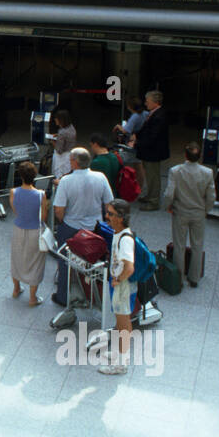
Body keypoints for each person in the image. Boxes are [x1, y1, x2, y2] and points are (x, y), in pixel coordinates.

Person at [51, 147, 115, 306]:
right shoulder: (101, 177)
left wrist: (63, 221)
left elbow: (58, 209)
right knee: (95, 260)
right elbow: (109, 203)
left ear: (74, 162)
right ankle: (93, 294)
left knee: (65, 261)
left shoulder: (66, 181)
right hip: (95, 228)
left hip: (71, 227)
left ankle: (63, 296)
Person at [161, 141, 216, 288]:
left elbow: (169, 194)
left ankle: (178, 277)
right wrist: (206, 210)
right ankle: (194, 278)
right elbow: (211, 196)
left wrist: (168, 206)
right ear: (199, 156)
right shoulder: (208, 173)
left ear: (185, 155)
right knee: (197, 245)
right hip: (198, 213)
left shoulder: (175, 171)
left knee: (179, 245)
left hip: (180, 212)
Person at [99, 199, 135, 376]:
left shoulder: (125, 239)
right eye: (107, 212)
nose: (107, 216)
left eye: (111, 214)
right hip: (120, 284)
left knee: (122, 326)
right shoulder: (118, 233)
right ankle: (120, 356)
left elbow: (129, 268)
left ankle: (121, 364)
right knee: (122, 323)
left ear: (121, 217)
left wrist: (118, 280)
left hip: (122, 286)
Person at [8, 161, 50, 305]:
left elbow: (15, 211)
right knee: (36, 263)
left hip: (19, 229)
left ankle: (16, 289)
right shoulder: (41, 194)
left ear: (20, 175)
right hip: (35, 231)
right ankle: (32, 298)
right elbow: (43, 216)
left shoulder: (13, 192)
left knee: (16, 259)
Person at [131, 90, 170, 210]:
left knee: (153, 177)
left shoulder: (158, 116)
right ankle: (150, 196)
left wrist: (136, 142)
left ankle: (153, 201)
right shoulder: (154, 113)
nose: (145, 103)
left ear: (155, 102)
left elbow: (152, 136)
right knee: (150, 175)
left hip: (153, 151)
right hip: (151, 151)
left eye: (147, 101)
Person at [50, 109, 76, 179]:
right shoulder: (71, 127)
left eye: (56, 118)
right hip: (69, 154)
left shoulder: (62, 133)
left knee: (59, 176)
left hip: (61, 158)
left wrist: (52, 142)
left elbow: (59, 150)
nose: (55, 120)